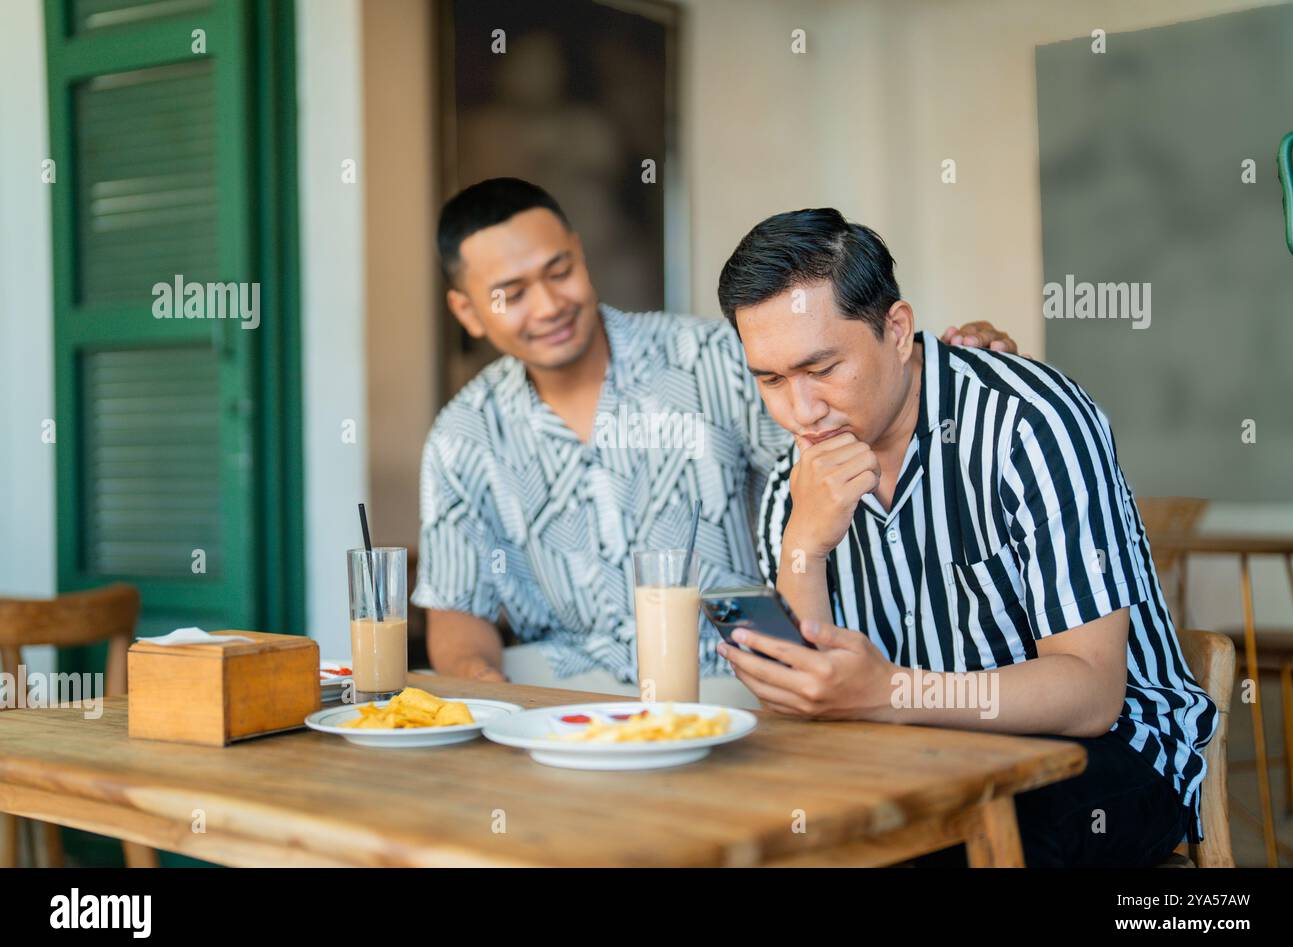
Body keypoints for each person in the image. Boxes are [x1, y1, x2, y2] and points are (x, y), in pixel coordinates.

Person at [715, 207, 1217, 866]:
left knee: (933, 848)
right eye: (771, 379)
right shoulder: (793, 482)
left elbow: (1092, 694)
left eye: (823, 368)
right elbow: (811, 709)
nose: (800, 411)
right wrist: (802, 547)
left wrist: (890, 692)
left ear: (896, 330)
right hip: (914, 755)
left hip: (1107, 752)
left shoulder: (1029, 425)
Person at [412, 178, 1019, 702]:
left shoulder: (711, 360)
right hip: (561, 695)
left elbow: (841, 438)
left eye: (559, 270)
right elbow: (457, 612)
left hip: (731, 682)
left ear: (581, 254)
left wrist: (939, 370)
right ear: (466, 311)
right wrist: (489, 696)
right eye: (512, 294)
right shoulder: (461, 437)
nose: (548, 305)